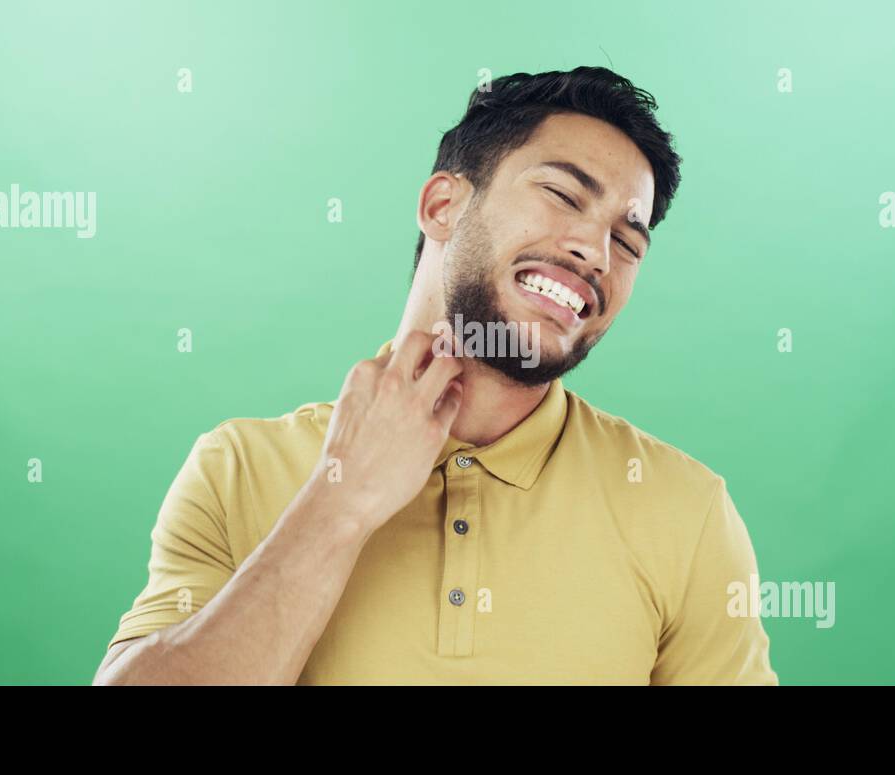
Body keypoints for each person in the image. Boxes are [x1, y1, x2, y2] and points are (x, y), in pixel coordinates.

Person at [94, 66, 777, 685]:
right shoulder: (236, 469)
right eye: (566, 195)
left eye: (626, 241)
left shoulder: (685, 512)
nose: (594, 251)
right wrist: (342, 500)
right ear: (442, 206)